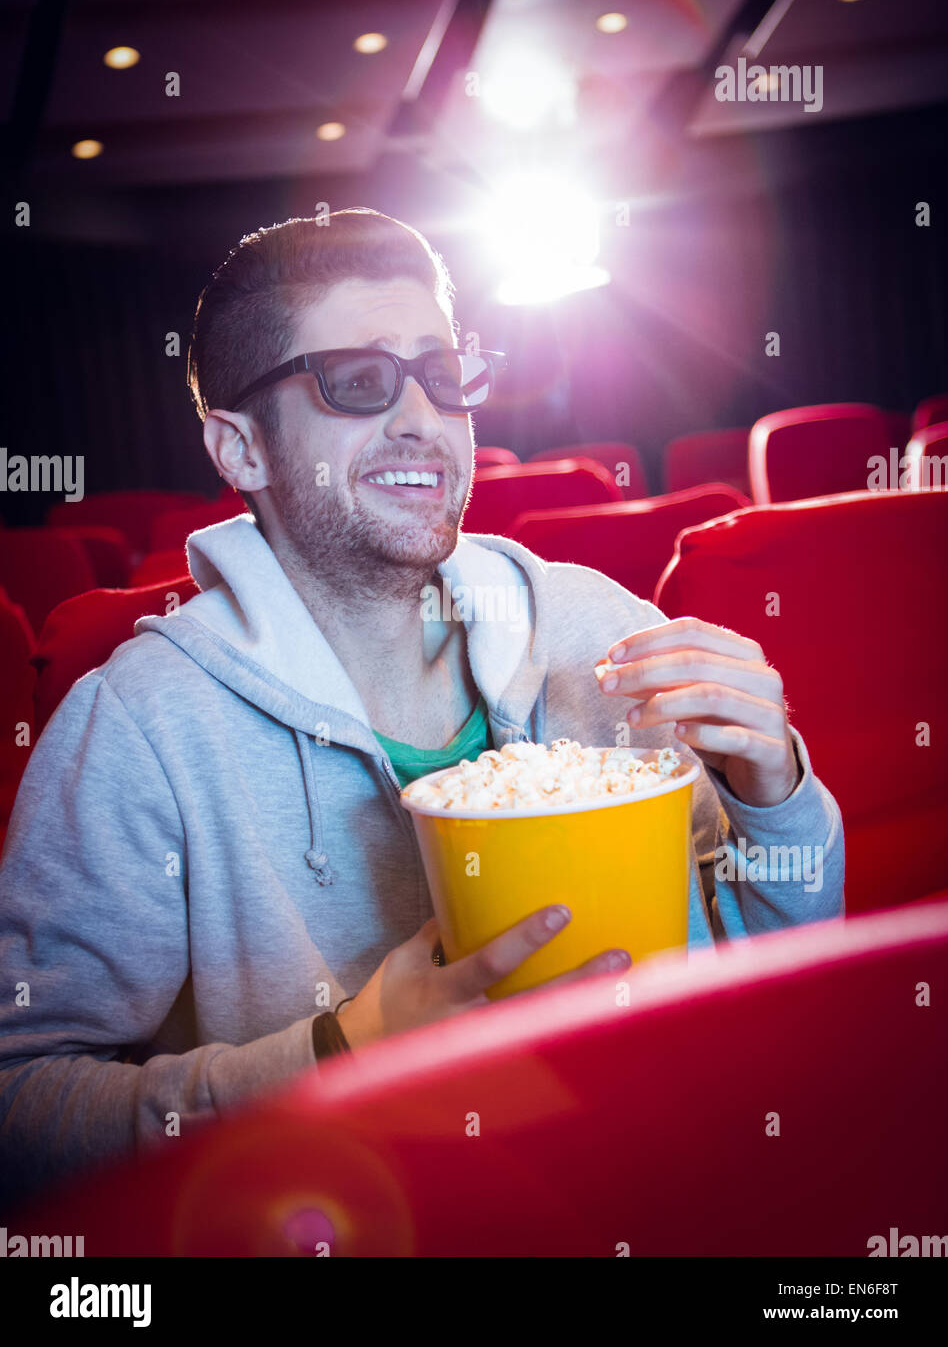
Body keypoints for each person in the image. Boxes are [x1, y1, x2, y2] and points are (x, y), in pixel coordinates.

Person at [0, 209, 843, 1209]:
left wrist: (777, 793)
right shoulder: (136, 729)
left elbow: (777, 952)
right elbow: (22, 1112)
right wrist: (338, 1052)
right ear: (241, 448)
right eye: (358, 381)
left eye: (443, 377)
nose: (422, 420)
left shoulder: (597, 629)